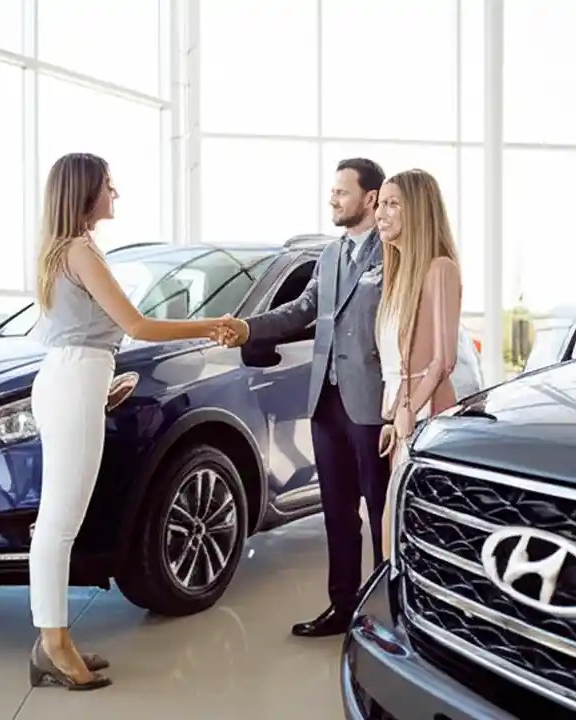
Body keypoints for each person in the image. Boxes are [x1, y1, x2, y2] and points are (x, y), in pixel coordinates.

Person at [28, 153, 229, 689]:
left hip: (73, 379)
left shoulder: (65, 248)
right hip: (74, 380)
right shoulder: (79, 250)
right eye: (108, 185)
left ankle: (55, 639)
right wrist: (212, 325)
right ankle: (53, 646)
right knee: (59, 523)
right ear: (85, 192)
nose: (115, 193)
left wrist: (97, 389)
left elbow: (83, 336)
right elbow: (136, 326)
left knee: (58, 520)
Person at [213, 157, 389, 638]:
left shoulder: (393, 253)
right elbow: (302, 309)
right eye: (333, 192)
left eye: (342, 192)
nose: (333, 199)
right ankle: (342, 606)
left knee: (381, 513)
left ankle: (387, 614)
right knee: (338, 512)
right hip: (326, 402)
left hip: (373, 402)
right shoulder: (330, 256)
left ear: (370, 198)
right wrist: (247, 327)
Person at [373, 169, 463, 559]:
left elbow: (443, 360)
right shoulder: (398, 279)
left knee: (412, 524)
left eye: (392, 204)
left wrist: (408, 410)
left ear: (419, 211)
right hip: (404, 419)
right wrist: (394, 415)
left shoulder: (440, 269)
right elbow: (399, 364)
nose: (381, 213)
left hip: (429, 416)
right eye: (380, 204)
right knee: (394, 523)